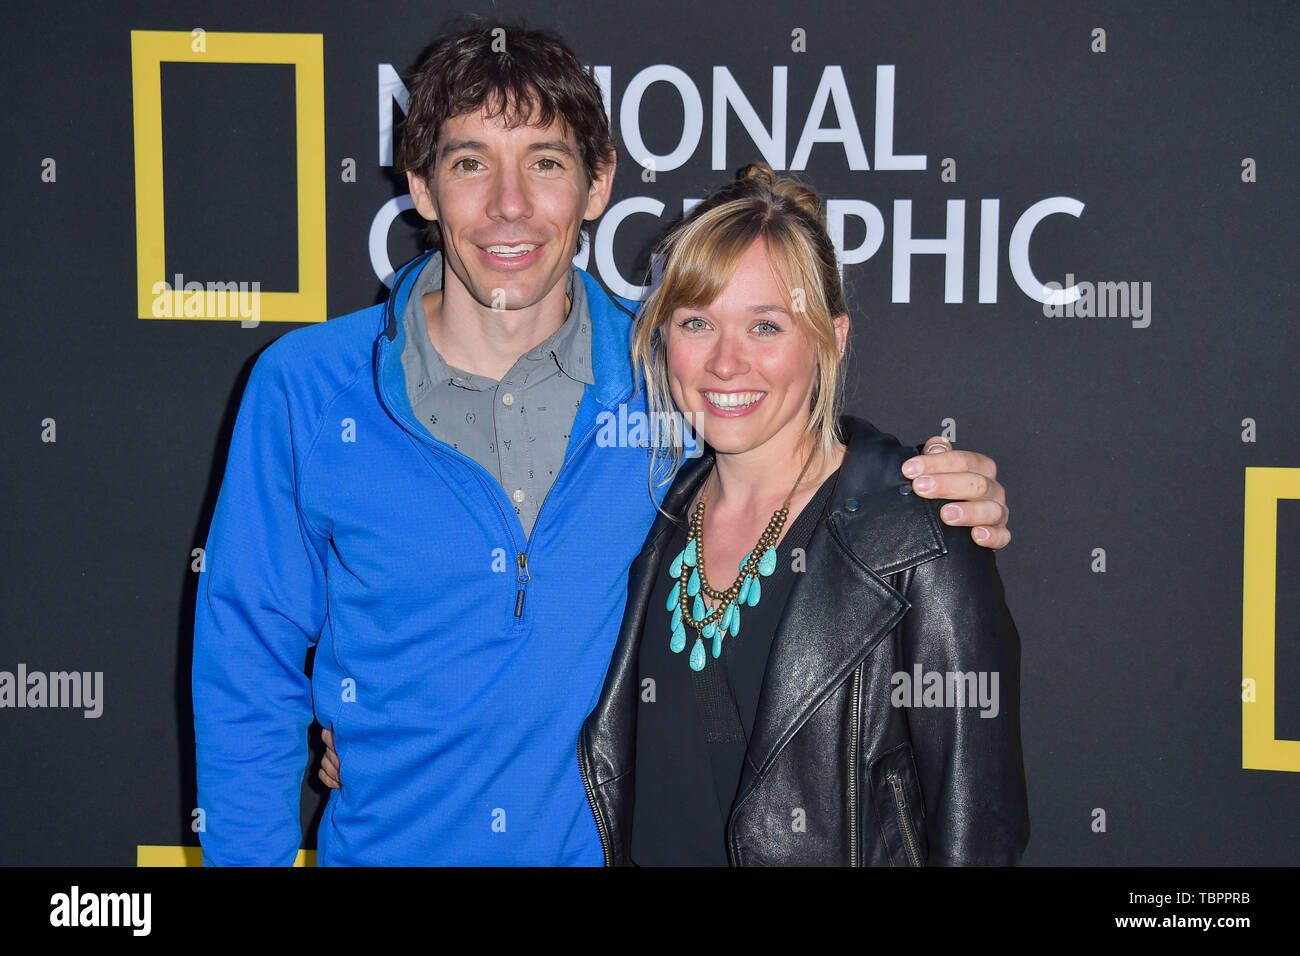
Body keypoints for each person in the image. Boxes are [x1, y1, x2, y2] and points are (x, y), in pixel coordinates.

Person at [195, 19, 1013, 866]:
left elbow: (791, 444)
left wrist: (922, 486)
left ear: (597, 184)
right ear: (422, 188)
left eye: (545, 162)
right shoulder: (304, 389)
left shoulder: (670, 381)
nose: (508, 204)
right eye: (470, 162)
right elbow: (245, 673)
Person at [576, 163, 1029, 865]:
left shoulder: (920, 536)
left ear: (830, 339)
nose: (726, 363)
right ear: (663, 339)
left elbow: (978, 831)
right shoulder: (655, 515)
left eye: (765, 326)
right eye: (697, 322)